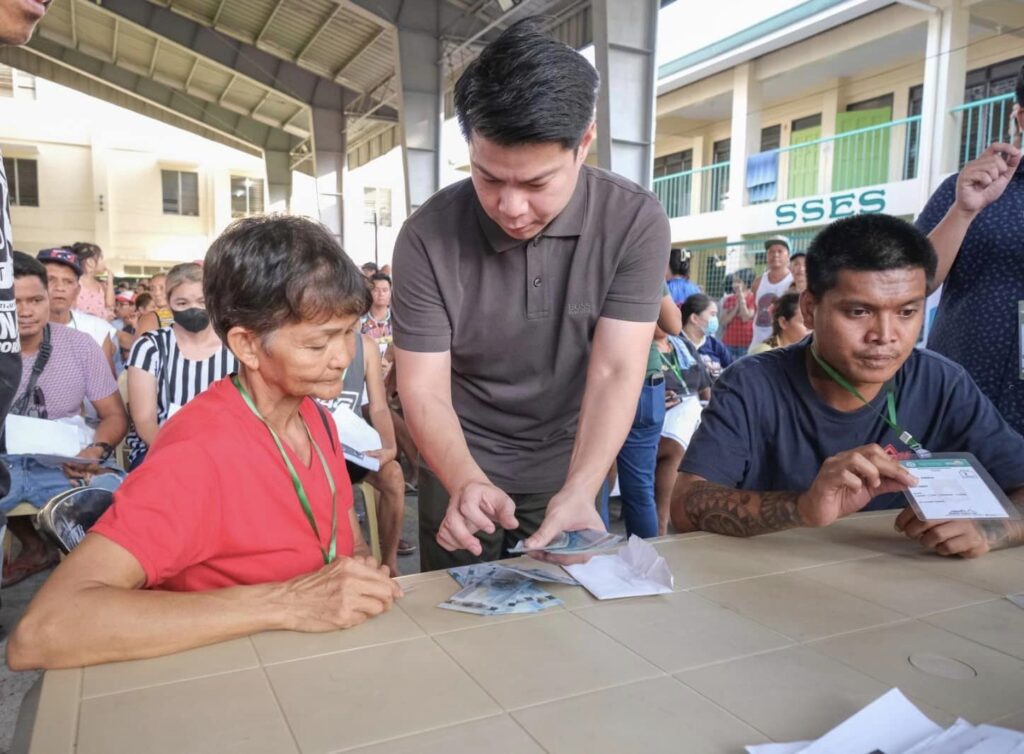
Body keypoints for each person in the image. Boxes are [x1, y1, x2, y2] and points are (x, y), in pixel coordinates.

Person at [7, 214, 402, 671]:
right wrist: (287, 603)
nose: (342, 358)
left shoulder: (315, 418)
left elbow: (348, 543)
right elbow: (43, 632)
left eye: (349, 334)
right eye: (318, 344)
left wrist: (362, 572)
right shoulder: (198, 453)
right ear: (247, 346)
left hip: (313, 663)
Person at [392, 18, 669, 569]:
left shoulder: (634, 222)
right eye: (488, 177)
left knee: (560, 633)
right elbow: (423, 389)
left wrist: (583, 486)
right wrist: (464, 479)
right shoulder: (427, 235)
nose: (511, 207)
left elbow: (617, 370)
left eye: (537, 184)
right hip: (458, 464)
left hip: (570, 466)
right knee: (455, 621)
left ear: (583, 143)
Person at [670, 214, 1024, 558]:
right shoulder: (752, 383)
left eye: (906, 312)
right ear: (809, 309)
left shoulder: (942, 383)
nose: (885, 337)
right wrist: (803, 507)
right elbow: (685, 506)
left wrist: (990, 529)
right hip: (766, 589)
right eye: (858, 312)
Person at [2, 253, 127, 586]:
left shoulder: (80, 346)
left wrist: (95, 451)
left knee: (117, 500)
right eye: (14, 301)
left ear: (48, 299)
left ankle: (102, 599)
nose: (26, 311)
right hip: (5, 464)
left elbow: (114, 415)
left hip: (64, 463)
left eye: (35, 300)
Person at [914, 71, 1024, 437]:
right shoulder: (971, 187)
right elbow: (911, 282)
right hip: (960, 392)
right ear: (1021, 118)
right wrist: (963, 210)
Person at [319, 330, 414, 574]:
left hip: (351, 445)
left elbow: (379, 406)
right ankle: (349, 559)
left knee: (393, 474)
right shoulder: (311, 340)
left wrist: (389, 448)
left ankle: (389, 562)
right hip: (314, 448)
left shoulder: (366, 346)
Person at [125, 263, 237, 469]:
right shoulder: (150, 347)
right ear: (168, 303)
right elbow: (144, 421)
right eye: (182, 303)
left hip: (224, 451)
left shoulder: (235, 348)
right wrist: (180, 453)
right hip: (158, 447)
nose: (193, 309)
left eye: (202, 301)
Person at [615, 287, 681, 539]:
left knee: (591, 485)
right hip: (647, 380)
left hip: (601, 379)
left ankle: (594, 565)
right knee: (640, 490)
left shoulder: (587, 257)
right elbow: (672, 324)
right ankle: (645, 571)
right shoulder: (644, 257)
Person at [654, 322, 710, 536]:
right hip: (656, 424)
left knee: (694, 408)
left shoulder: (683, 346)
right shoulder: (641, 348)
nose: (664, 322)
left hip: (691, 419)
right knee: (677, 449)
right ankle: (661, 526)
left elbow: (705, 387)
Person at [37, 247, 117, 375]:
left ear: (77, 290)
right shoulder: (16, 330)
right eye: (50, 280)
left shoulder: (97, 329)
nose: (60, 288)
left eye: (68, 281)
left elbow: (107, 388)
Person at [749, 236, 793, 352]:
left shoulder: (793, 282)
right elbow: (754, 311)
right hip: (757, 343)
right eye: (771, 252)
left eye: (780, 251)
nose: (775, 255)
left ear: (788, 256)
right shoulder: (758, 282)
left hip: (781, 346)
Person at [680, 293, 732, 382]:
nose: (715, 319)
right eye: (712, 314)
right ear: (694, 318)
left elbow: (732, 372)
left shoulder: (715, 345)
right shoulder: (675, 344)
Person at [71, 242, 114, 321]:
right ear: (90, 262)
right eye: (101, 258)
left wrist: (110, 281)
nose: (104, 262)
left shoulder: (101, 286)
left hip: (99, 330)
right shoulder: (76, 284)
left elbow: (110, 304)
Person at [719, 269, 755, 361]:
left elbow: (745, 317)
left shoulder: (753, 297)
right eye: (734, 281)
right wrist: (736, 307)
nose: (734, 284)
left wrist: (741, 299)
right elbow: (723, 321)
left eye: (738, 281)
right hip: (728, 342)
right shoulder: (729, 299)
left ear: (747, 283)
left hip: (746, 342)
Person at [361, 272, 394, 358]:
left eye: (385, 290)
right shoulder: (359, 320)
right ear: (368, 292)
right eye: (376, 290)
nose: (381, 294)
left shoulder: (398, 320)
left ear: (390, 292)